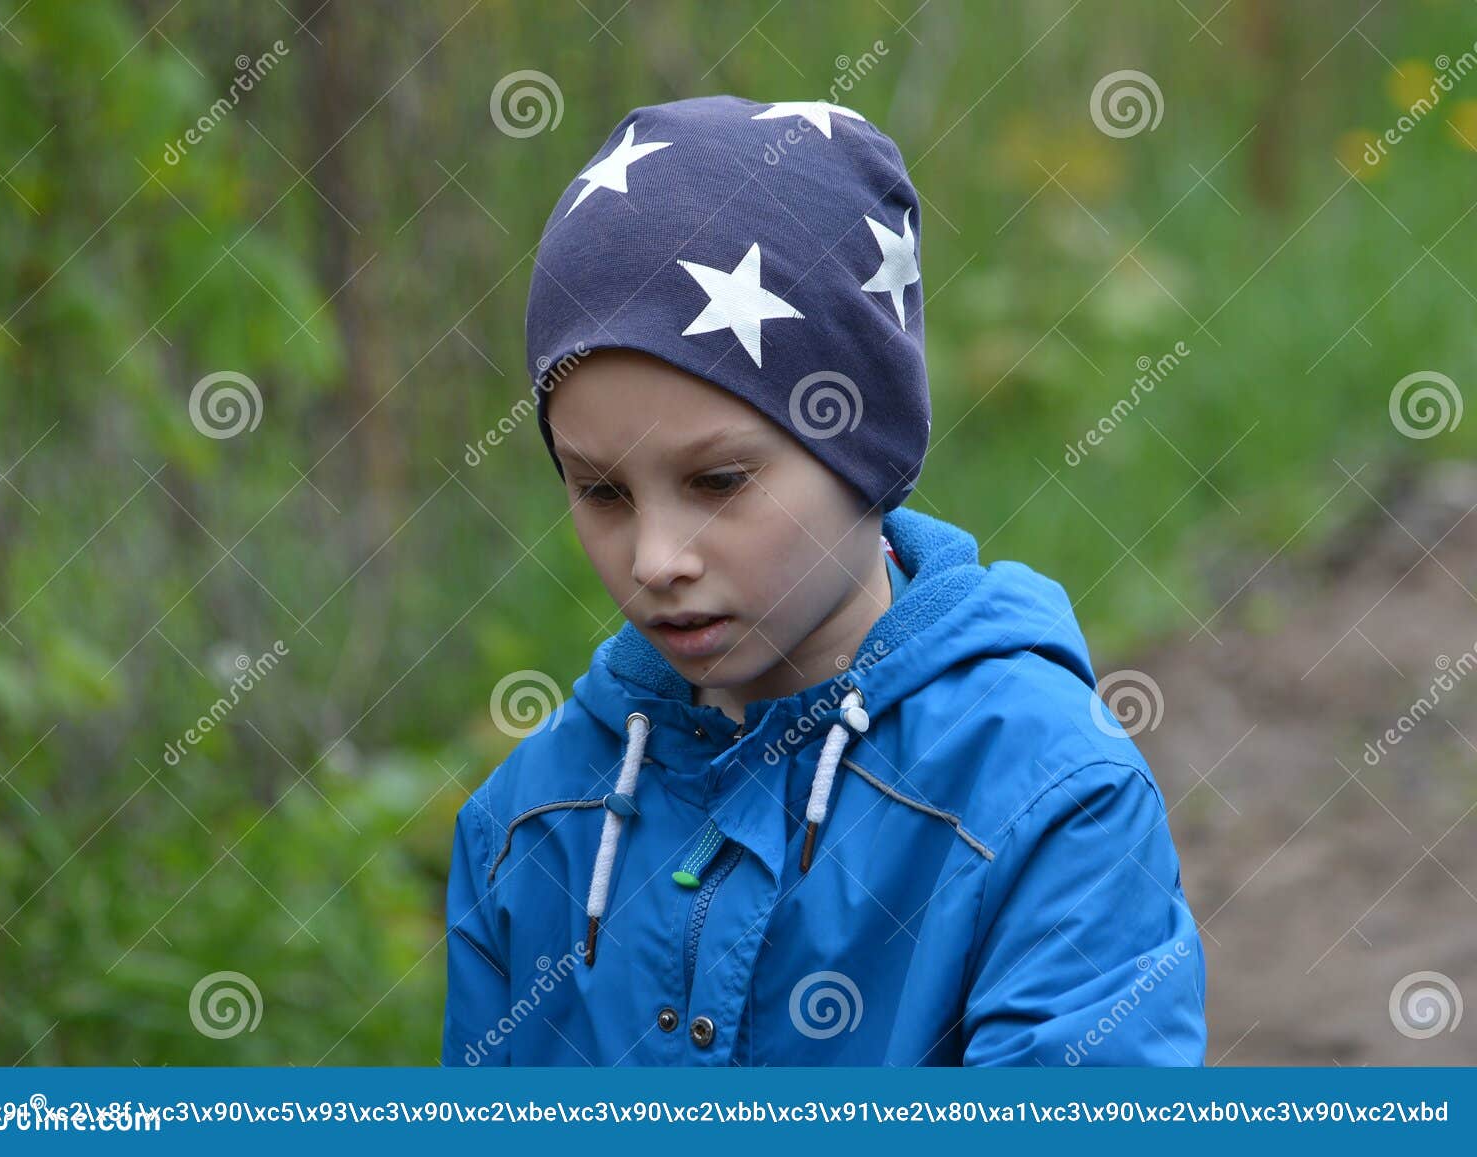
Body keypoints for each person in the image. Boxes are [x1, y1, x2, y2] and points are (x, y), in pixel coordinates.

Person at [441, 94, 1206, 1066]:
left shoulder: (1042, 791)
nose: (655, 559)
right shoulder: (532, 820)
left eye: (717, 481)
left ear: (864, 444)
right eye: (601, 491)